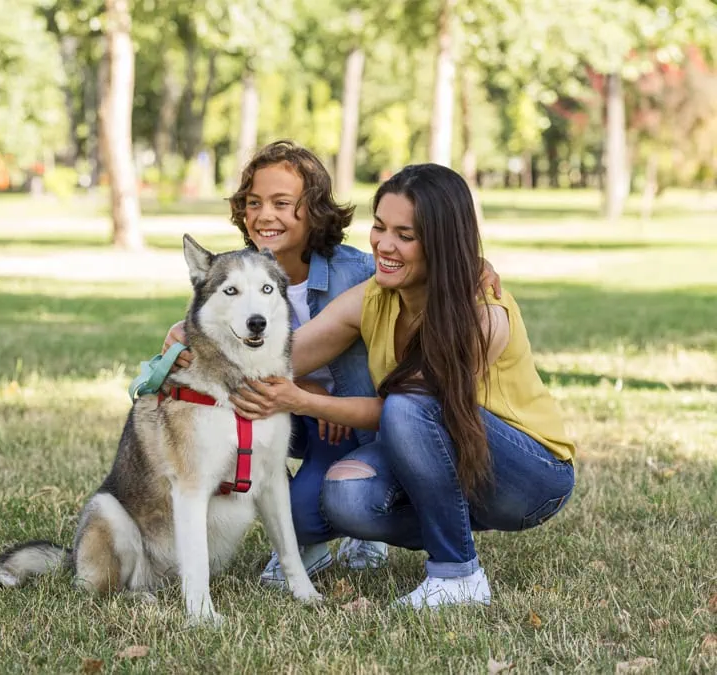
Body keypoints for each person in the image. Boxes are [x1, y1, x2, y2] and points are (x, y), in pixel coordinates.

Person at [227, 163, 576, 609]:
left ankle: (457, 576)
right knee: (345, 496)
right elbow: (281, 358)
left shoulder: (484, 316)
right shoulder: (374, 297)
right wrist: (190, 343)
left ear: (442, 243)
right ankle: (445, 529)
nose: (384, 246)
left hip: (529, 474)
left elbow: (412, 410)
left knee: (410, 405)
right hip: (450, 459)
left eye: (405, 236)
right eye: (379, 228)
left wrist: (302, 401)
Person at [162, 141, 497, 587]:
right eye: (253, 203)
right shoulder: (238, 274)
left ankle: (374, 517)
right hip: (298, 418)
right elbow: (225, 352)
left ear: (314, 210)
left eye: (283, 204)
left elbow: (427, 268)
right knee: (289, 496)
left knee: (324, 503)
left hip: (360, 426)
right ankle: (309, 542)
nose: (265, 216)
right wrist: (182, 340)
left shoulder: (360, 274)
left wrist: (476, 262)